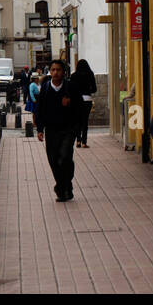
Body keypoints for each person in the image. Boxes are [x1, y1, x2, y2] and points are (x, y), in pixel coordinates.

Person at [35, 59, 79, 202]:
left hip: (68, 129)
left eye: (58, 70)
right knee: (54, 160)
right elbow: (40, 109)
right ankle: (64, 188)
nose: (55, 73)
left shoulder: (70, 87)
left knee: (64, 158)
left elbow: (81, 107)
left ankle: (63, 187)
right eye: (53, 70)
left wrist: (70, 104)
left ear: (63, 72)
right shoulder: (46, 88)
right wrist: (40, 129)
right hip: (51, 130)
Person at [71, 58, 98, 148]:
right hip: (87, 99)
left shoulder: (74, 75)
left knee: (77, 121)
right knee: (85, 121)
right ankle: (84, 142)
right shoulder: (90, 74)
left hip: (76, 100)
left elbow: (71, 89)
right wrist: (87, 90)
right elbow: (94, 89)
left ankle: (78, 141)